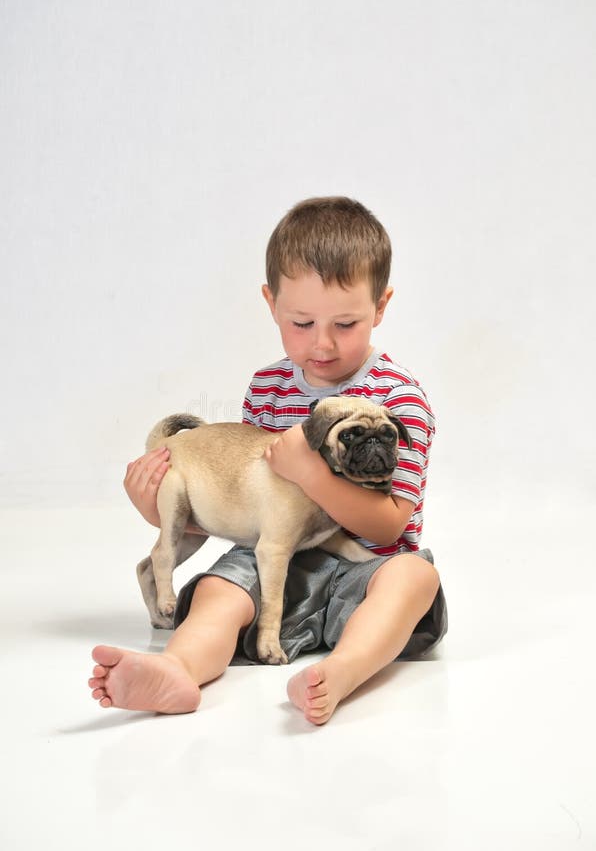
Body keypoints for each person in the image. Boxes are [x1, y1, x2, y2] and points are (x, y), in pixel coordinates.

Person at [88, 196, 448, 725]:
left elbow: (390, 523)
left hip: (367, 567)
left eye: (346, 323)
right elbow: (240, 506)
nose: (322, 343)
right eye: (301, 322)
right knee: (218, 590)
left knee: (414, 578)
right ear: (271, 304)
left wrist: (310, 473)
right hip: (272, 559)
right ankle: (179, 668)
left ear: (381, 306)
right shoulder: (268, 387)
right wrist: (156, 506)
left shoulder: (399, 398)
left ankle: (341, 672)